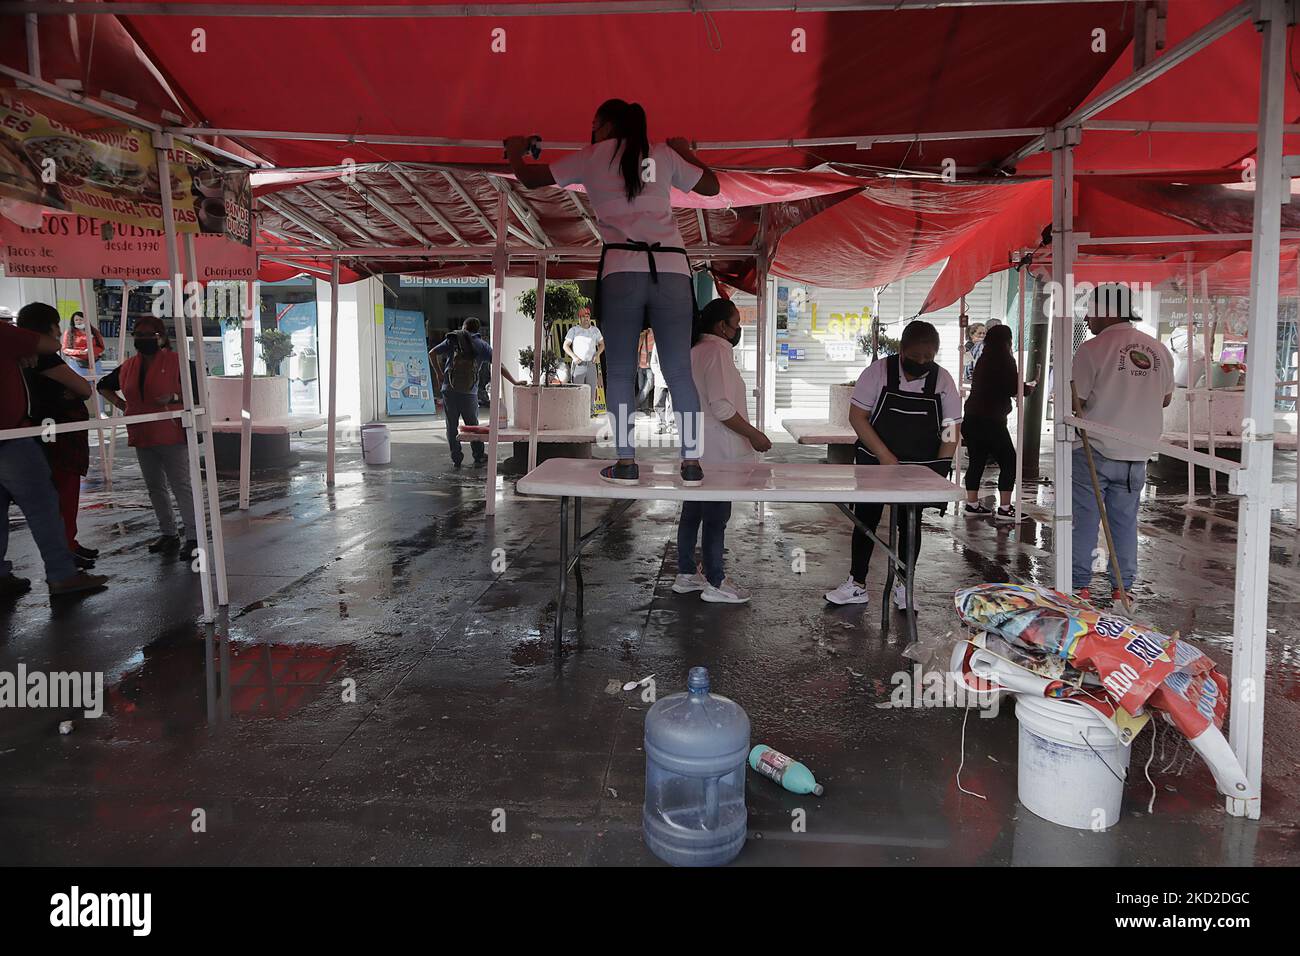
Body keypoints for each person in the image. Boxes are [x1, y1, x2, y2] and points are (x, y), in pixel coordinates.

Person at [506, 99, 721, 487]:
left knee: (620, 371)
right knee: (678, 372)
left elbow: (532, 178)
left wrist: (514, 151)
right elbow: (712, 185)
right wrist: (686, 152)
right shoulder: (662, 154)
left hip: (622, 269)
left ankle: (626, 462)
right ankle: (691, 464)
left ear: (606, 126)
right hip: (672, 268)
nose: (592, 131)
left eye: (594, 124)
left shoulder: (591, 157)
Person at [825, 320, 960, 610]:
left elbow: (950, 427)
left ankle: (904, 586)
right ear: (902, 350)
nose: (921, 363)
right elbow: (857, 417)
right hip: (875, 462)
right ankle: (857, 584)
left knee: (909, 525)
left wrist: (942, 464)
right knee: (866, 521)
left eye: (928, 358)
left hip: (920, 468)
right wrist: (885, 456)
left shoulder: (943, 381)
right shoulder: (878, 373)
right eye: (914, 357)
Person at [1071, 284, 1173, 604]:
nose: (1087, 317)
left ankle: (1078, 587)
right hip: (1137, 453)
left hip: (1095, 450)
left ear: (1108, 310)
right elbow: (1166, 399)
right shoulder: (1158, 349)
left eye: (1091, 309)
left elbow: (1078, 401)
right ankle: (1122, 590)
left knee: (1085, 520)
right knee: (1125, 523)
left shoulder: (1092, 349)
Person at [0, 315, 108, 597]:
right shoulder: (11, 339)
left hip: (24, 433)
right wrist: (27, 346)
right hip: (16, 436)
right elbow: (55, 352)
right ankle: (62, 572)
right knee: (45, 505)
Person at [672, 299, 770, 604]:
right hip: (719, 451)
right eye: (736, 323)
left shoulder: (694, 351)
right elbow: (722, 406)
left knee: (692, 512)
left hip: (695, 448)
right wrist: (754, 435)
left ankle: (687, 573)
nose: (738, 329)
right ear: (721, 327)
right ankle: (715, 581)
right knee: (715, 516)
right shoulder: (716, 352)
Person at [97, 316, 199, 559]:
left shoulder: (179, 362)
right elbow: (103, 385)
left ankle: (194, 537)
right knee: (155, 487)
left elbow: (198, 396)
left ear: (161, 337)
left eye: (149, 334)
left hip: (171, 433)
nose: (143, 339)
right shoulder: (129, 365)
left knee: (181, 486)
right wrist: (122, 405)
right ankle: (169, 533)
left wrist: (174, 398)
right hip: (141, 434)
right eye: (138, 334)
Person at [17, 304, 98, 567]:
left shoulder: (22, 356)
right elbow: (83, 389)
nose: (60, 331)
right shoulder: (44, 356)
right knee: (64, 490)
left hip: (44, 430)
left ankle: (69, 543)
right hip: (58, 433)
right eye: (56, 325)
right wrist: (72, 392)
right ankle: (65, 552)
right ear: (48, 327)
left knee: (58, 492)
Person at [961, 324, 1035, 522]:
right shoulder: (1005, 359)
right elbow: (1013, 388)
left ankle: (972, 503)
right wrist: (1028, 388)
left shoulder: (984, 358)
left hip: (972, 417)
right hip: (992, 420)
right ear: (1007, 341)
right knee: (1009, 461)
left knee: (977, 460)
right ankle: (1004, 508)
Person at [430, 317, 519, 468]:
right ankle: (478, 455)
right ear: (477, 330)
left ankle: (456, 457)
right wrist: (515, 382)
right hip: (469, 392)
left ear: (464, 327)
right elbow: (499, 365)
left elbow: (432, 353)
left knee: (451, 425)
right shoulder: (483, 345)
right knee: (472, 425)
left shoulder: (454, 339)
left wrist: (439, 373)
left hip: (449, 390)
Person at [563, 307, 604, 415]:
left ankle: (590, 414)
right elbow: (565, 346)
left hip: (591, 364)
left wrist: (597, 354)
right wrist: (574, 357)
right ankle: (577, 414)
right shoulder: (574, 330)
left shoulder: (595, 330)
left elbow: (602, 344)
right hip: (579, 365)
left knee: (591, 391)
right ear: (579, 318)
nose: (586, 319)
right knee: (578, 391)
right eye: (583, 317)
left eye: (587, 316)